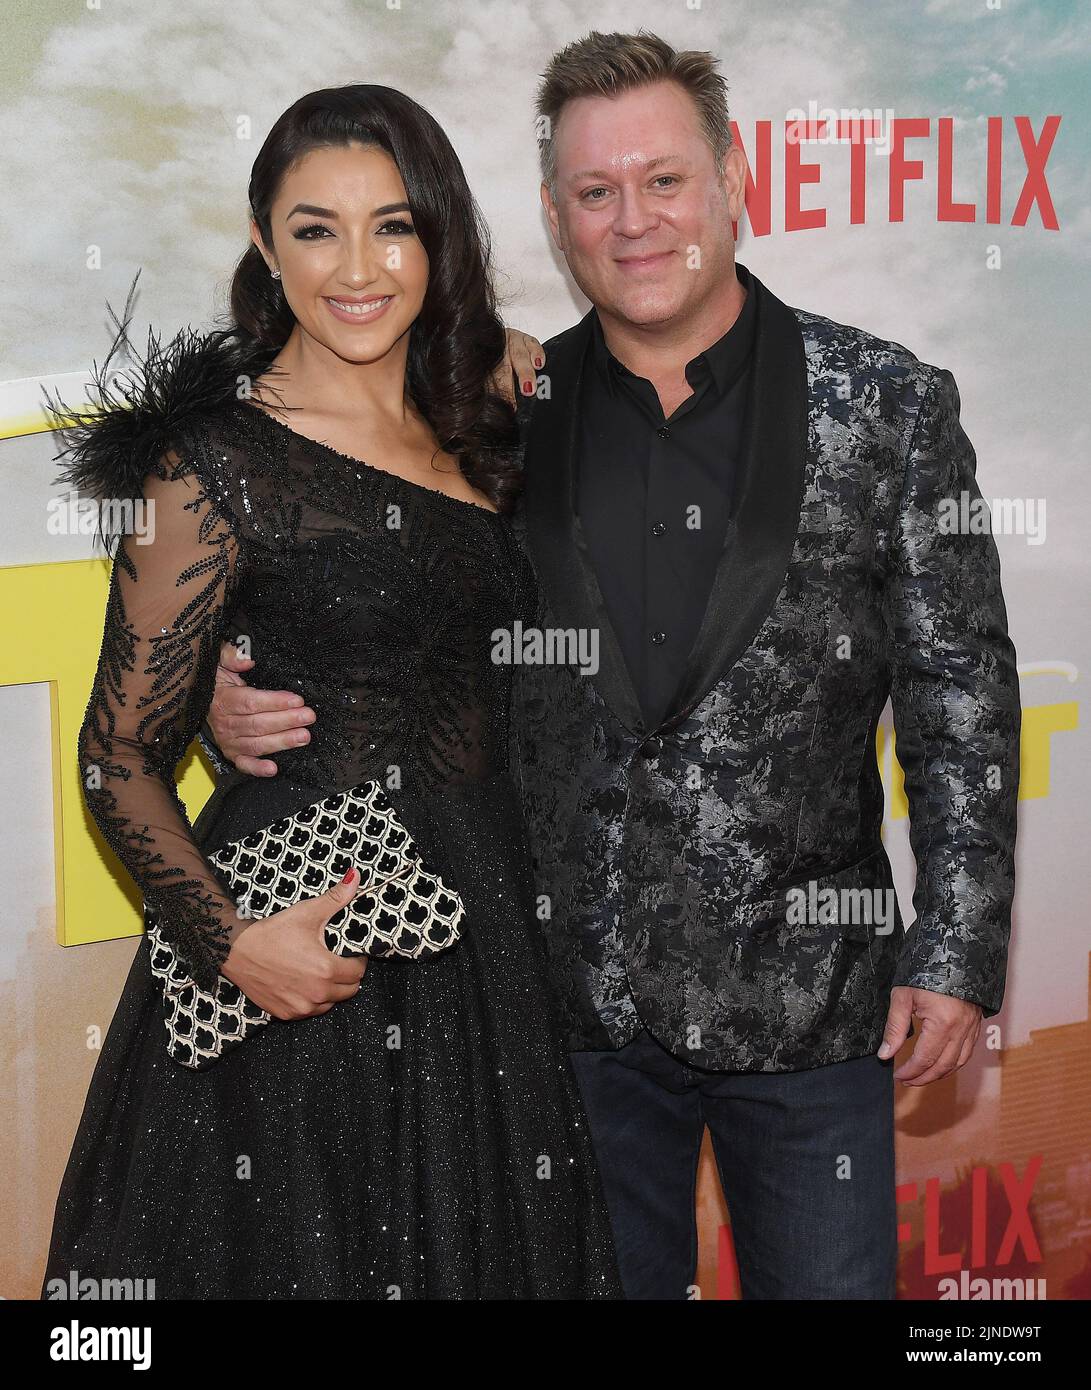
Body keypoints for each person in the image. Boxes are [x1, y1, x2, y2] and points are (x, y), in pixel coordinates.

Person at [205, 33, 1021, 1300]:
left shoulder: (888, 403)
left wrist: (957, 953)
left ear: (733, 180)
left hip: (809, 1008)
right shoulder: (484, 418)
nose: (631, 222)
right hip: (555, 1013)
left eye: (662, 181)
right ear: (553, 213)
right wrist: (224, 691)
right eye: (594, 193)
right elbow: (369, 612)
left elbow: (958, 696)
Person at [40, 82, 622, 1301]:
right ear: (264, 243)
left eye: (393, 225)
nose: (356, 266)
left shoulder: (480, 429)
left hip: (483, 952)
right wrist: (233, 943)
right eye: (316, 228)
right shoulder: (212, 462)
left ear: (438, 239)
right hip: (308, 957)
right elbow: (117, 754)